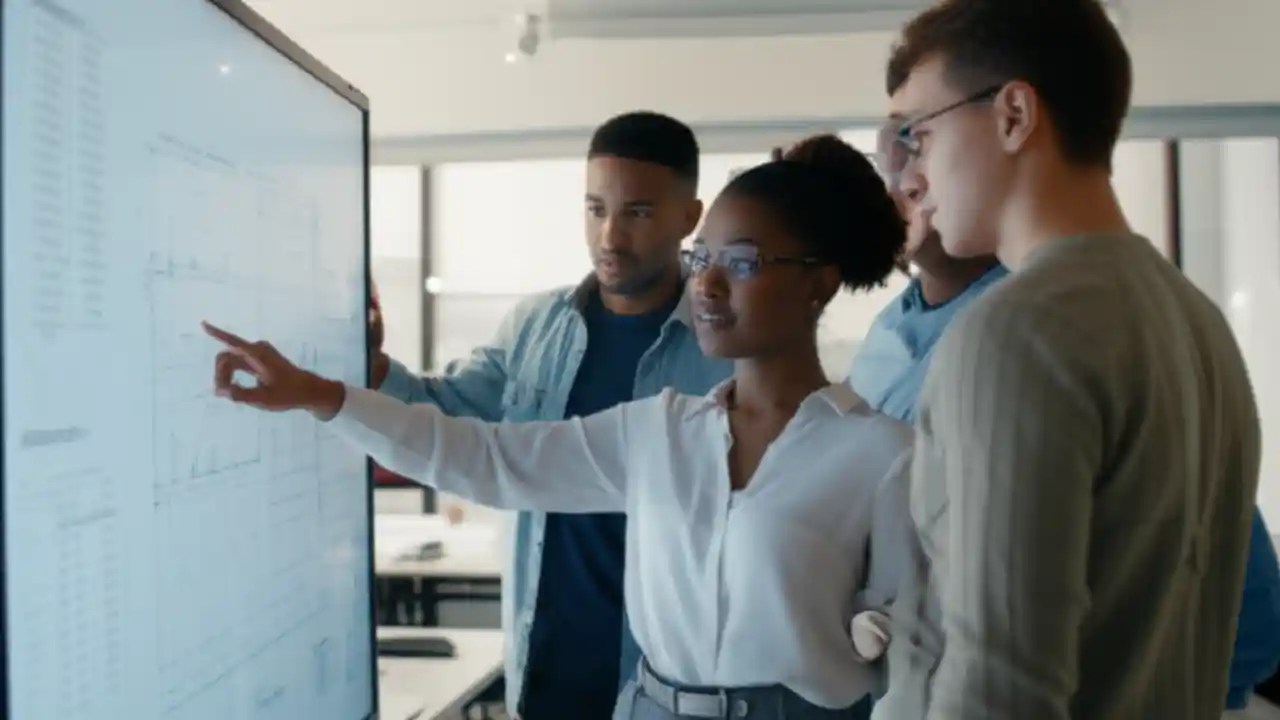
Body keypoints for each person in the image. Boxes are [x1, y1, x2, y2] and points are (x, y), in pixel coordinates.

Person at [204, 135, 914, 719]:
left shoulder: (881, 453)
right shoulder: (661, 433)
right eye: (703, 258)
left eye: (742, 263)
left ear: (818, 282)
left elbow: (912, 661)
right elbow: (483, 458)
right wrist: (323, 395)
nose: (708, 284)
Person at [871, 2, 1263, 719]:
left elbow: (1001, 691)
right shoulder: (1196, 320)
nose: (910, 177)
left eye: (917, 136)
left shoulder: (1018, 331)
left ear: (1014, 114)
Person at [372, 112, 733, 718]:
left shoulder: (724, 350)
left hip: (665, 688)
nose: (610, 237)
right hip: (542, 677)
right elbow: (447, 412)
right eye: (595, 209)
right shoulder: (537, 328)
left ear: (688, 219)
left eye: (638, 213)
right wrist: (376, 369)